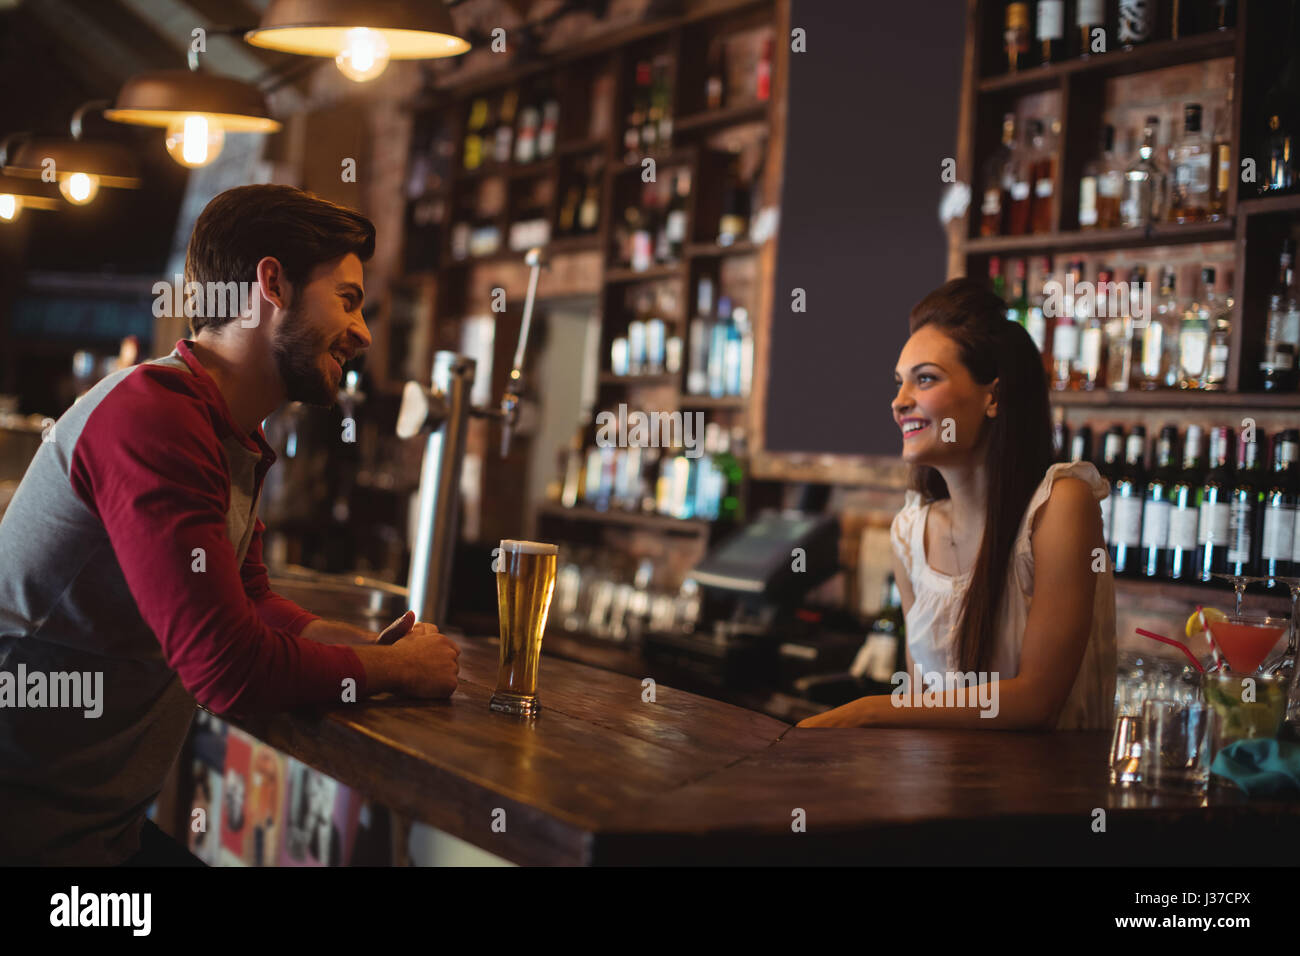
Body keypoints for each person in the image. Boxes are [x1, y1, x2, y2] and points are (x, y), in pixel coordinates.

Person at [0, 185, 461, 864]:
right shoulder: (155, 416)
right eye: (349, 301)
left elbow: (252, 604)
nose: (363, 334)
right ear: (271, 283)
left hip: (92, 837)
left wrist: (373, 648)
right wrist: (391, 671)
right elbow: (226, 668)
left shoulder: (225, 431)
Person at [799, 278, 1115, 729]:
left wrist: (871, 709)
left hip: (1046, 795)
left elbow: (1037, 697)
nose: (898, 402)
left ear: (993, 397)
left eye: (924, 379)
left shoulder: (1059, 506)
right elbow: (922, 709)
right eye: (898, 383)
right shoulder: (910, 533)